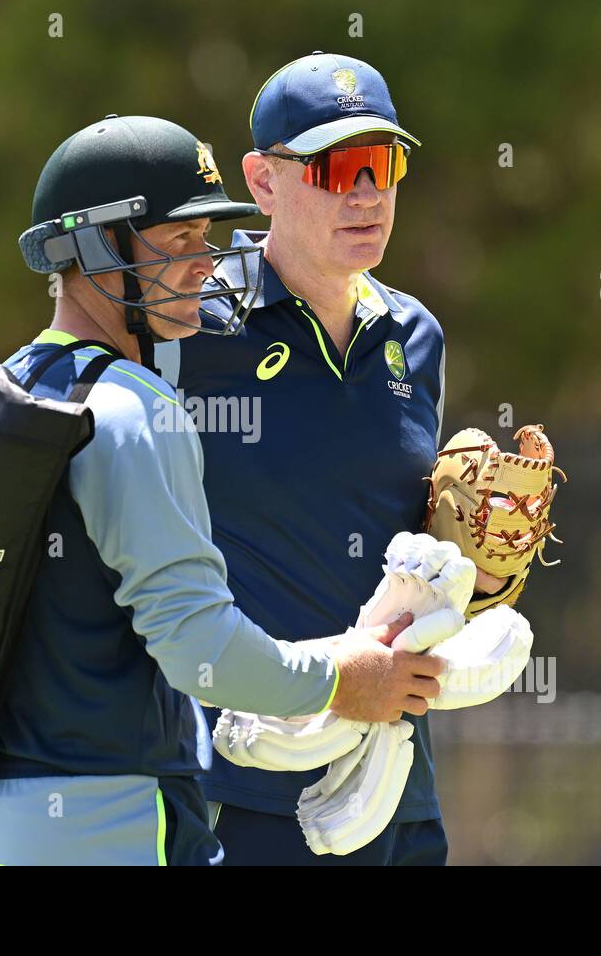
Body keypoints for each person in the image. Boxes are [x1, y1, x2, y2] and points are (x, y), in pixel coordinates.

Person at [0, 113, 450, 866]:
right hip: (116, 825)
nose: (203, 264)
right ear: (94, 247)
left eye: (205, 237)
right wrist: (344, 680)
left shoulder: (10, 386)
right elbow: (199, 648)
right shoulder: (138, 410)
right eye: (177, 240)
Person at [155, 53, 505, 865]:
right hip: (238, 783)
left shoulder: (417, 336)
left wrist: (484, 573)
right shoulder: (186, 322)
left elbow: (410, 554)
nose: (367, 194)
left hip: (395, 785)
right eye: (336, 168)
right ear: (263, 181)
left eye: (384, 165)